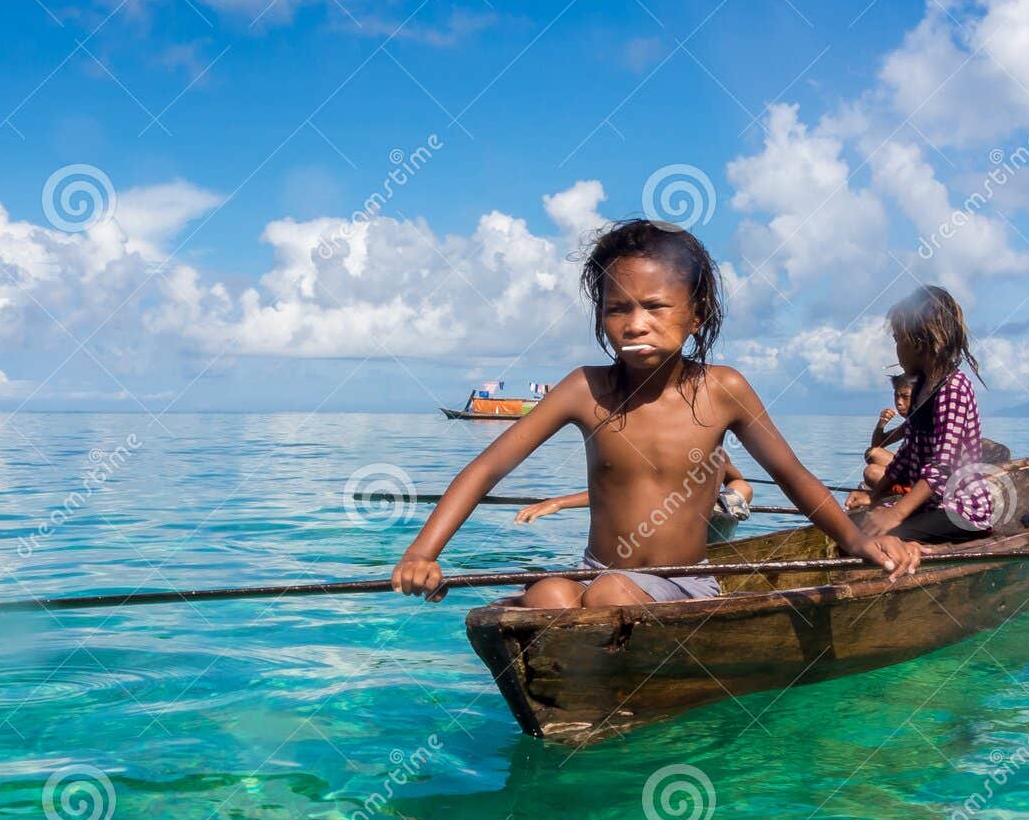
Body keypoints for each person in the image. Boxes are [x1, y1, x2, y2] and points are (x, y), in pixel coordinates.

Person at [391, 219, 921, 606]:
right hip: (597, 575)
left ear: (696, 315)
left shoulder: (723, 389)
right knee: (551, 595)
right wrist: (423, 552)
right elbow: (486, 469)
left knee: (610, 596)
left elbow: (791, 476)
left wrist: (856, 539)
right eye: (617, 308)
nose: (635, 323)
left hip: (679, 584)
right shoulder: (584, 388)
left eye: (655, 307)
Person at [846, 286, 993, 546]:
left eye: (897, 339)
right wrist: (874, 495)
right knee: (856, 526)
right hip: (930, 507)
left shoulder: (953, 388)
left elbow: (943, 465)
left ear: (919, 341)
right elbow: (905, 455)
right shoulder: (921, 388)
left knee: (884, 538)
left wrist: (897, 512)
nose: (897, 349)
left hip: (961, 511)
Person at [513, 452, 754, 542]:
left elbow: (738, 480)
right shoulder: (663, 466)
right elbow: (619, 494)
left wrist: (734, 493)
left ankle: (729, 503)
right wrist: (557, 503)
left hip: (716, 511)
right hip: (687, 517)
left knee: (742, 488)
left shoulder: (717, 455)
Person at [862, 372, 917, 490]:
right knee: (871, 453)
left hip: (919, 474)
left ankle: (903, 490)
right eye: (896, 396)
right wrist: (881, 424)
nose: (899, 402)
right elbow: (878, 445)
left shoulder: (921, 419)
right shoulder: (909, 422)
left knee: (871, 472)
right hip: (908, 468)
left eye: (905, 397)